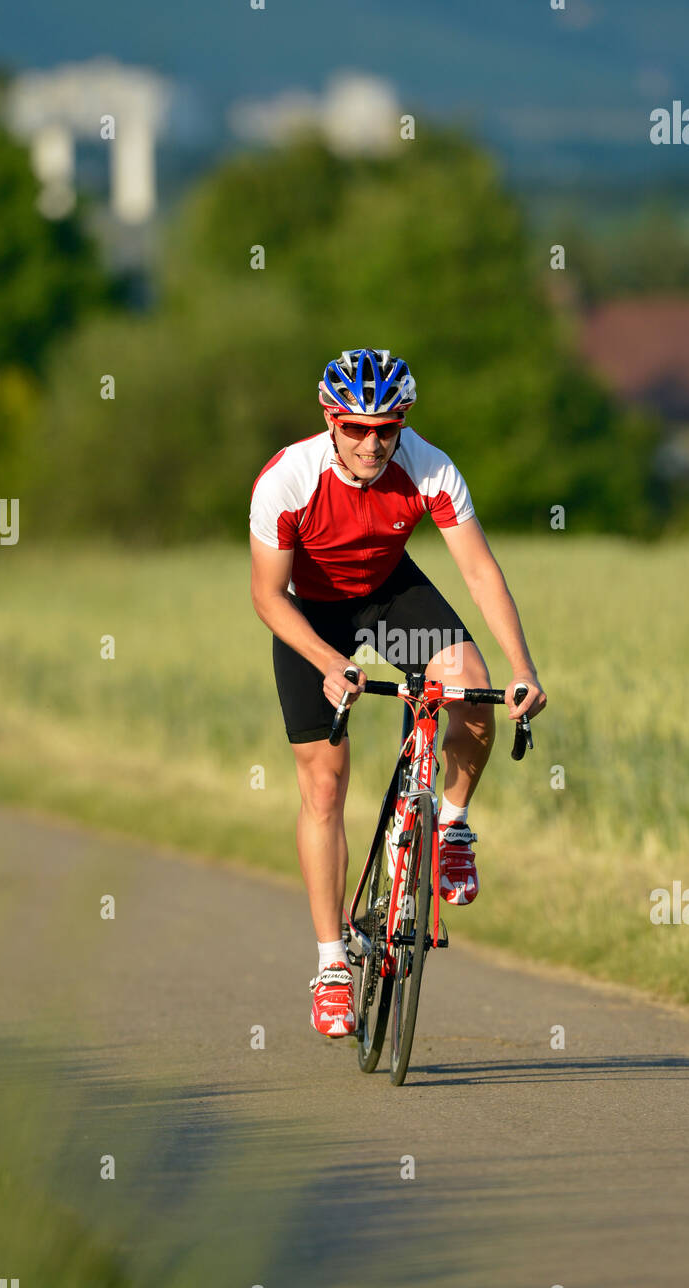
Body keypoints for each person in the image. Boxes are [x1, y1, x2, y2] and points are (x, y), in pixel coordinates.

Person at [250, 348, 545, 1037]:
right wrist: (327, 661)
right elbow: (265, 595)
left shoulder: (430, 466)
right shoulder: (287, 479)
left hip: (389, 596)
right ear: (330, 421)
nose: (371, 442)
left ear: (402, 422)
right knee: (324, 787)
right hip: (309, 612)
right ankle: (330, 965)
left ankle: (449, 822)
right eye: (355, 427)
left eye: (386, 426)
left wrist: (522, 666)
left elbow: (477, 571)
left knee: (472, 688)